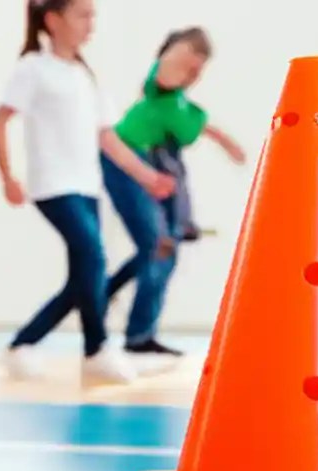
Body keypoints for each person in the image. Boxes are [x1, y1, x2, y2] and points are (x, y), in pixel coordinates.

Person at [0, 0, 175, 383]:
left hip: (87, 185)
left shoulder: (85, 75)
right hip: (52, 186)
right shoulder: (33, 69)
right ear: (54, 20)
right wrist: (8, 176)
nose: (91, 23)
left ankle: (21, 344)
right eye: (82, 15)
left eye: (93, 16)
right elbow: (0, 121)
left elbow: (108, 138)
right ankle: (96, 348)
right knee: (93, 256)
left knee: (83, 275)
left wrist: (147, 177)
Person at [102, 26, 245, 358]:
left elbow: (198, 125)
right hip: (128, 160)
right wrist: (183, 49)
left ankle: (121, 311)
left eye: (200, 67)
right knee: (159, 247)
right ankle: (135, 333)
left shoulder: (177, 102)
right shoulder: (162, 82)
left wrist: (226, 143)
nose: (194, 72)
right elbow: (167, 69)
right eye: (192, 63)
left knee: (162, 248)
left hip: (148, 163)